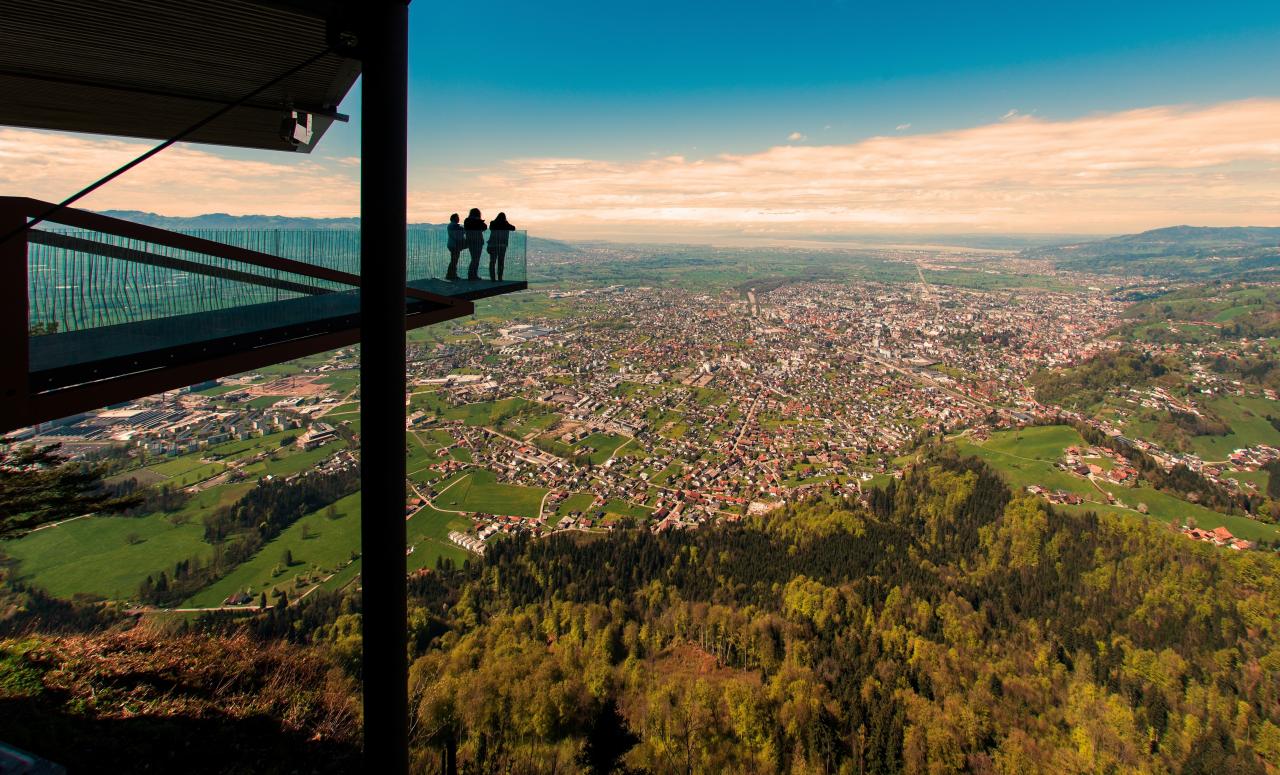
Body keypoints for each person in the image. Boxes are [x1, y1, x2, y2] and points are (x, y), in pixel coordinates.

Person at [487, 212, 515, 281]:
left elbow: (491, 228)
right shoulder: (505, 224)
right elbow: (513, 228)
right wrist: (506, 223)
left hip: (493, 245)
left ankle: (492, 277)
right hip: (502, 245)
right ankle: (500, 277)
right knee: (501, 261)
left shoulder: (493, 223)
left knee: (492, 262)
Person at [462, 208, 487, 280]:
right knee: (476, 259)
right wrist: (478, 220)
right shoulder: (477, 221)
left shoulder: (467, 220)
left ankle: (471, 275)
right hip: (478, 241)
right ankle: (473, 275)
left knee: (474, 258)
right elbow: (484, 227)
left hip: (470, 241)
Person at [445, 213, 464, 280]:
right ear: (454, 218)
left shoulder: (452, 225)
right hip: (454, 245)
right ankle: (451, 275)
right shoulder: (453, 226)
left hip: (452, 245)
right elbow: (460, 232)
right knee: (454, 260)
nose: (459, 219)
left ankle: (452, 274)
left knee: (454, 260)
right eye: (457, 217)